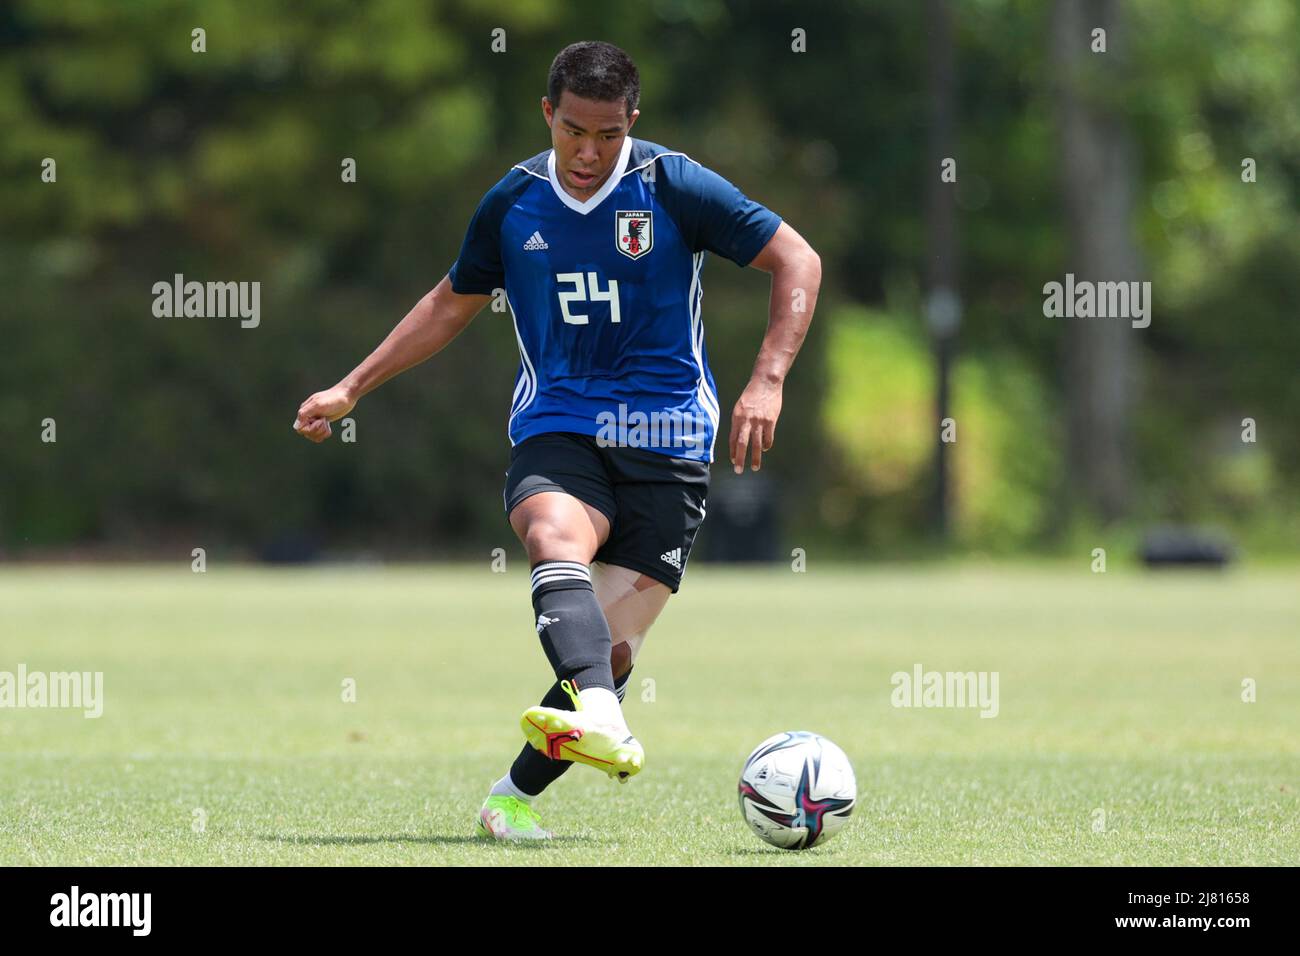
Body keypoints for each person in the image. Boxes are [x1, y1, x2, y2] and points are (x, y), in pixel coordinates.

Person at [293, 40, 821, 840]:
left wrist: (769, 378)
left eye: (608, 134)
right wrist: (351, 386)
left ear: (631, 123)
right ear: (548, 114)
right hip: (561, 425)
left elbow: (797, 258)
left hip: (670, 438)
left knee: (606, 654)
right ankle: (604, 716)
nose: (588, 152)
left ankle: (512, 794)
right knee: (552, 535)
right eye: (574, 130)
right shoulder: (514, 202)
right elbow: (448, 303)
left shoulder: (673, 185)